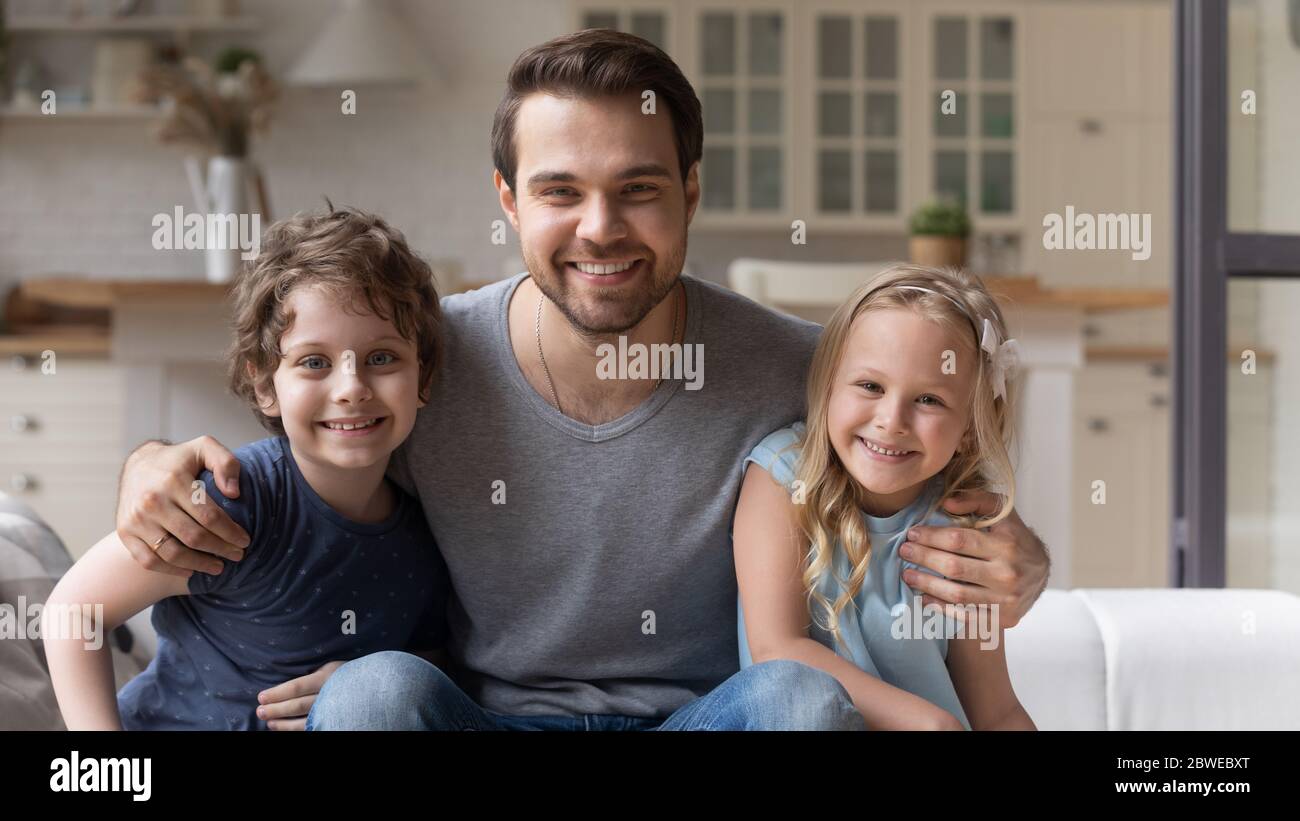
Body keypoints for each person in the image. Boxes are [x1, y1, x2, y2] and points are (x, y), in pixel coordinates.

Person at [110, 30, 1050, 731]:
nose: (600, 227)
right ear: (510, 201)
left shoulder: (798, 370)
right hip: (488, 718)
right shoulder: (422, 359)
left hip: (702, 718)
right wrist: (152, 460)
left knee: (800, 697)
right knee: (373, 692)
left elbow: (913, 458)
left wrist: (1027, 557)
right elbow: (302, 455)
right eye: (561, 191)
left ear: (692, 190)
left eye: (638, 189)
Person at [44, 206, 450, 730]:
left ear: (424, 376)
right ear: (265, 385)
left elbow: (436, 660)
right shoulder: (237, 502)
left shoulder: (426, 533)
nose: (351, 387)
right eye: (314, 362)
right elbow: (74, 612)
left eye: (381, 358)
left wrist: (360, 682)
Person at [734, 264, 1037, 730]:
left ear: (971, 430)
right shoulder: (782, 476)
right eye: (871, 386)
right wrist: (932, 723)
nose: (891, 420)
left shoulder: (962, 532)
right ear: (829, 385)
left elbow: (995, 710)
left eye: (929, 400)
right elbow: (777, 651)